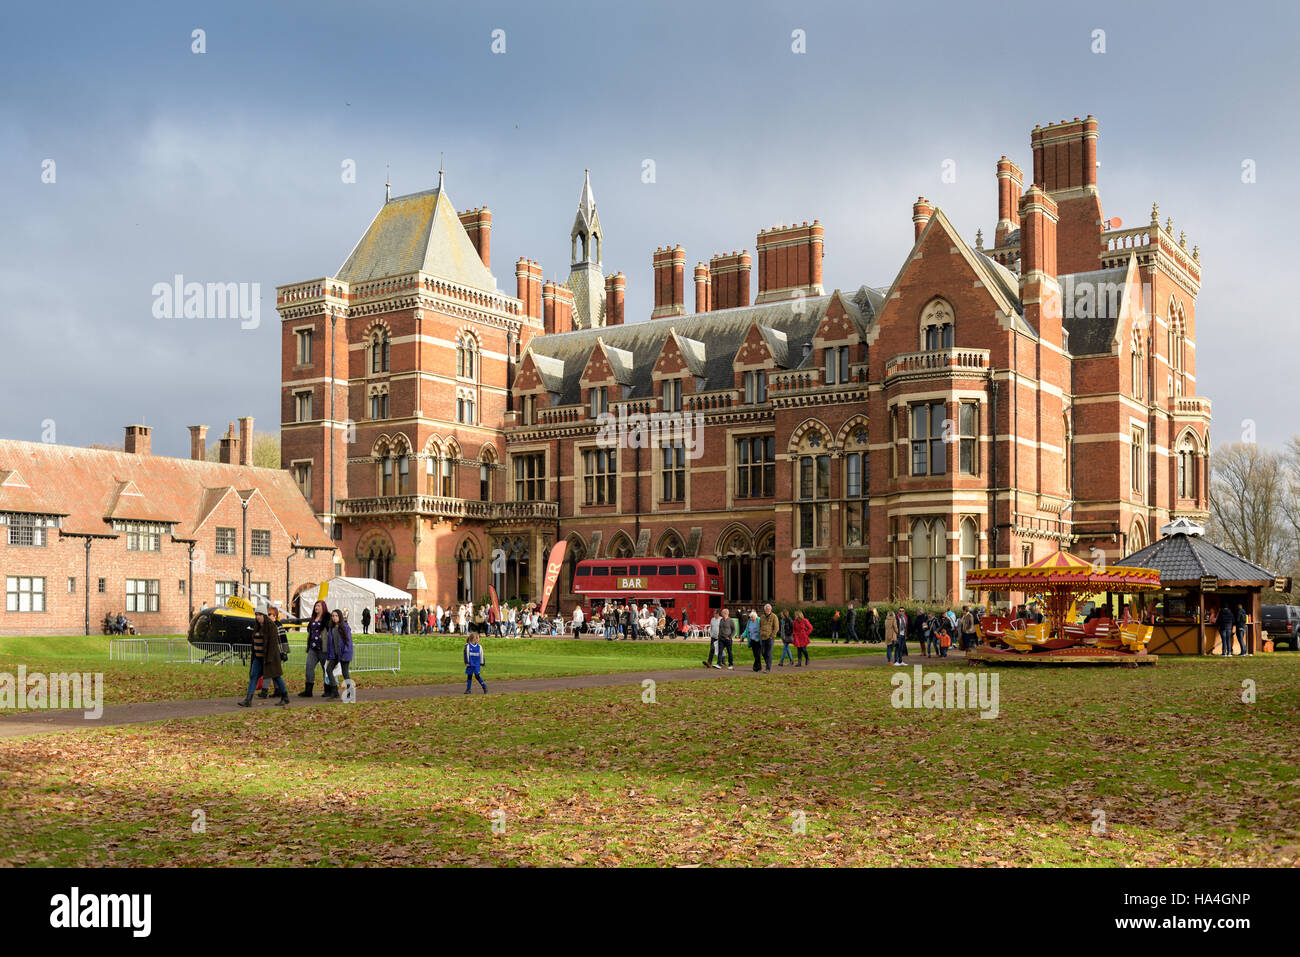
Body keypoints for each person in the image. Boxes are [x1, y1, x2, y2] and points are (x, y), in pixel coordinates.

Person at [238, 605, 289, 707]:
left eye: (260, 614)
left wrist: (269, 659)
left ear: (264, 615)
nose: (258, 617)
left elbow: (272, 644)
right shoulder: (257, 626)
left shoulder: (271, 626)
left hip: (269, 658)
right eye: (256, 614)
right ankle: (248, 699)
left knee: (276, 676)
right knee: (253, 676)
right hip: (258, 657)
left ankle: (285, 696)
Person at [300, 599, 331, 698]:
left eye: (318, 606)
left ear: (323, 607)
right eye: (315, 606)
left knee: (325, 670)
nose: (316, 608)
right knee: (309, 667)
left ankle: (328, 690)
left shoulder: (327, 619)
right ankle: (308, 691)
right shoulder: (313, 618)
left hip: (323, 649)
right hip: (313, 649)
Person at [323, 609, 353, 699]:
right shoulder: (331, 628)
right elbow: (329, 643)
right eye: (332, 616)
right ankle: (334, 691)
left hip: (344, 654)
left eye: (336, 616)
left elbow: (348, 643)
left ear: (340, 617)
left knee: (345, 673)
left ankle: (350, 692)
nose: (334, 618)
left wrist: (345, 655)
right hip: (334, 654)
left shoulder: (345, 627)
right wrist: (328, 657)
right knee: (328, 670)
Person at [758, 603, 779, 673]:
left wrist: (772, 635)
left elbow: (776, 627)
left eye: (769, 609)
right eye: (766, 609)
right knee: (763, 652)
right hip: (763, 637)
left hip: (770, 638)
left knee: (769, 653)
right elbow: (760, 626)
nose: (768, 610)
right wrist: (760, 632)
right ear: (764, 609)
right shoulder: (762, 617)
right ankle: (768, 663)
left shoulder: (774, 616)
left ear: (771, 609)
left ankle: (768, 668)